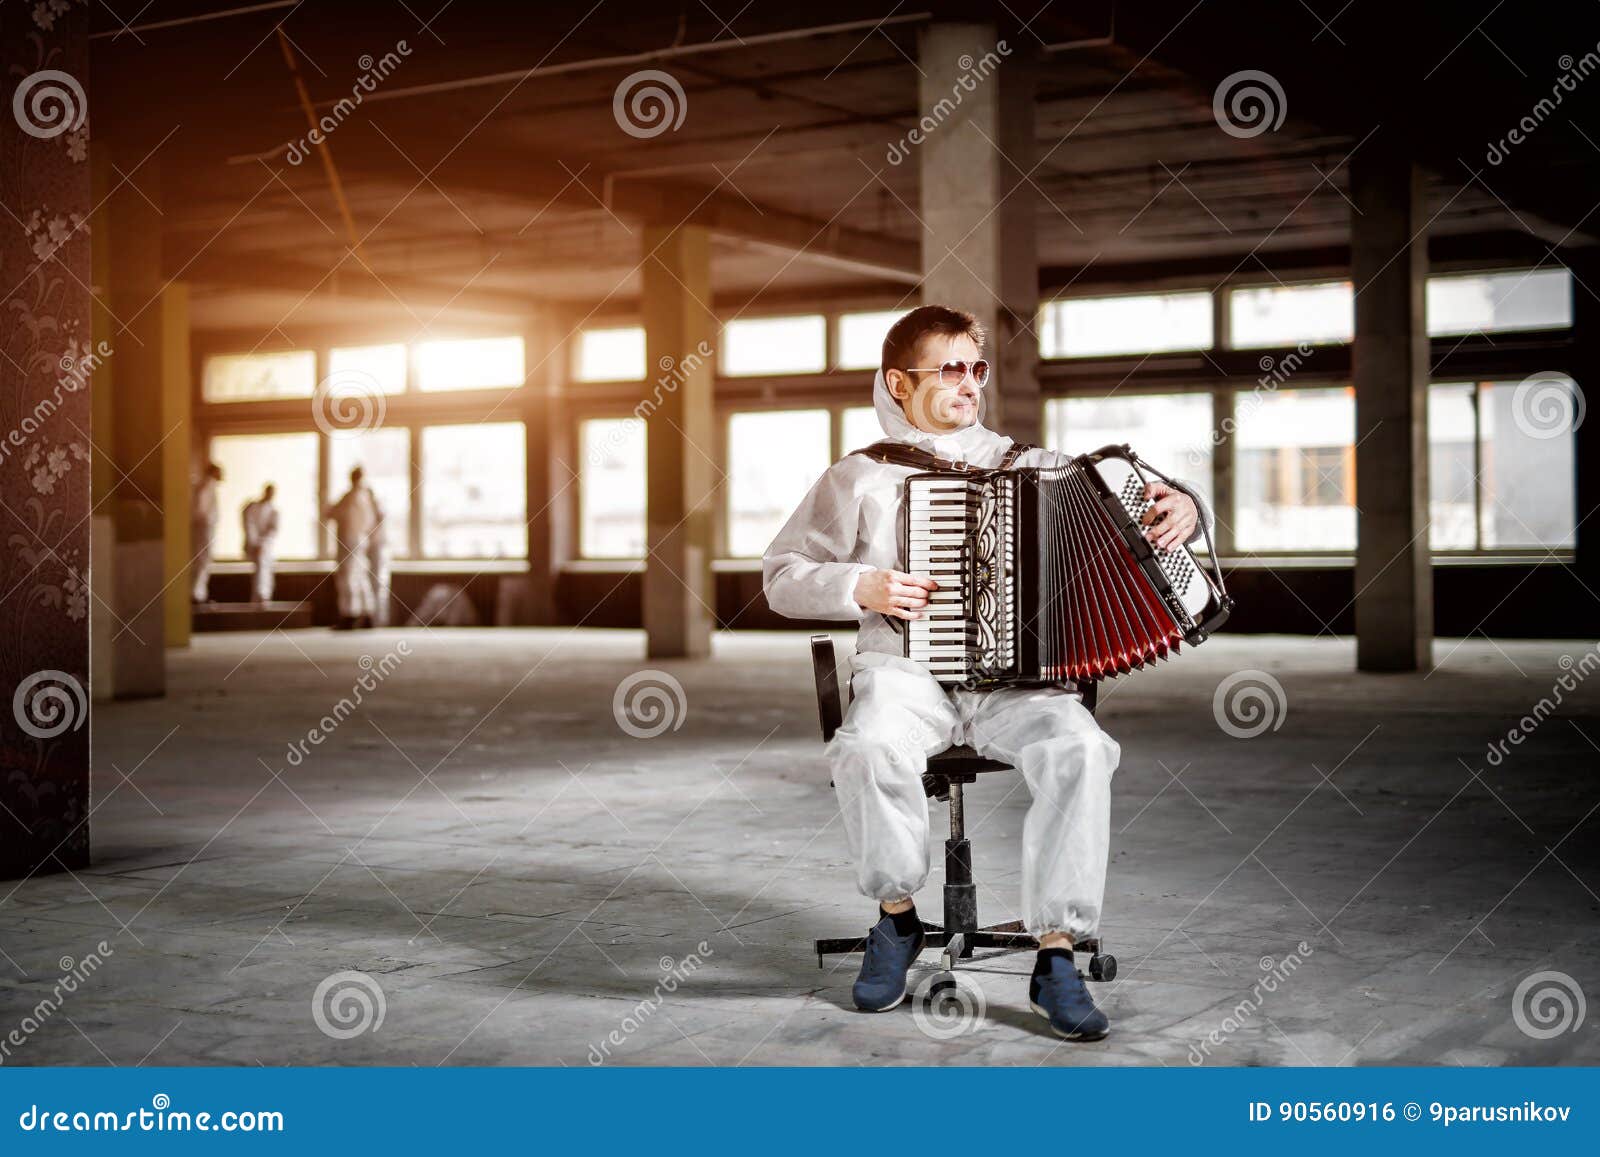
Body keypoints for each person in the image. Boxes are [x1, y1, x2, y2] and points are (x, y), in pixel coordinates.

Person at [762, 306, 1211, 1042]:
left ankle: (1057, 954)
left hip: (1020, 683)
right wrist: (858, 586)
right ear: (899, 381)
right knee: (869, 745)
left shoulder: (1033, 465)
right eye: (951, 369)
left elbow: (1133, 517)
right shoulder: (859, 476)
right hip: (907, 675)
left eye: (977, 369)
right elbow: (782, 576)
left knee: (1082, 748)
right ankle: (898, 920)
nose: (970, 383)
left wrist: (1189, 506)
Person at [324, 466, 383, 630]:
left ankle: (349, 614)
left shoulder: (350, 497)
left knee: (347, 577)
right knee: (361, 576)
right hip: (361, 539)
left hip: (348, 541)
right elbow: (372, 521)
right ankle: (367, 613)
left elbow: (330, 513)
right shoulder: (366, 498)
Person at [242, 484, 280, 605]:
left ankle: (263, 595)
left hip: (265, 547)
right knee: (261, 565)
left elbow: (272, 531)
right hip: (254, 545)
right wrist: (255, 543)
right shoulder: (252, 507)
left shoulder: (274, 512)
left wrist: (262, 543)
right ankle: (260, 595)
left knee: (265, 566)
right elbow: (249, 525)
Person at [191, 462, 223, 604]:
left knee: (204, 559)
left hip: (207, 526)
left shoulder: (209, 486)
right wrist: (206, 521)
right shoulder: (206, 486)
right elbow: (201, 509)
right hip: (205, 527)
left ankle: (199, 593)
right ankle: (197, 594)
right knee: (203, 559)